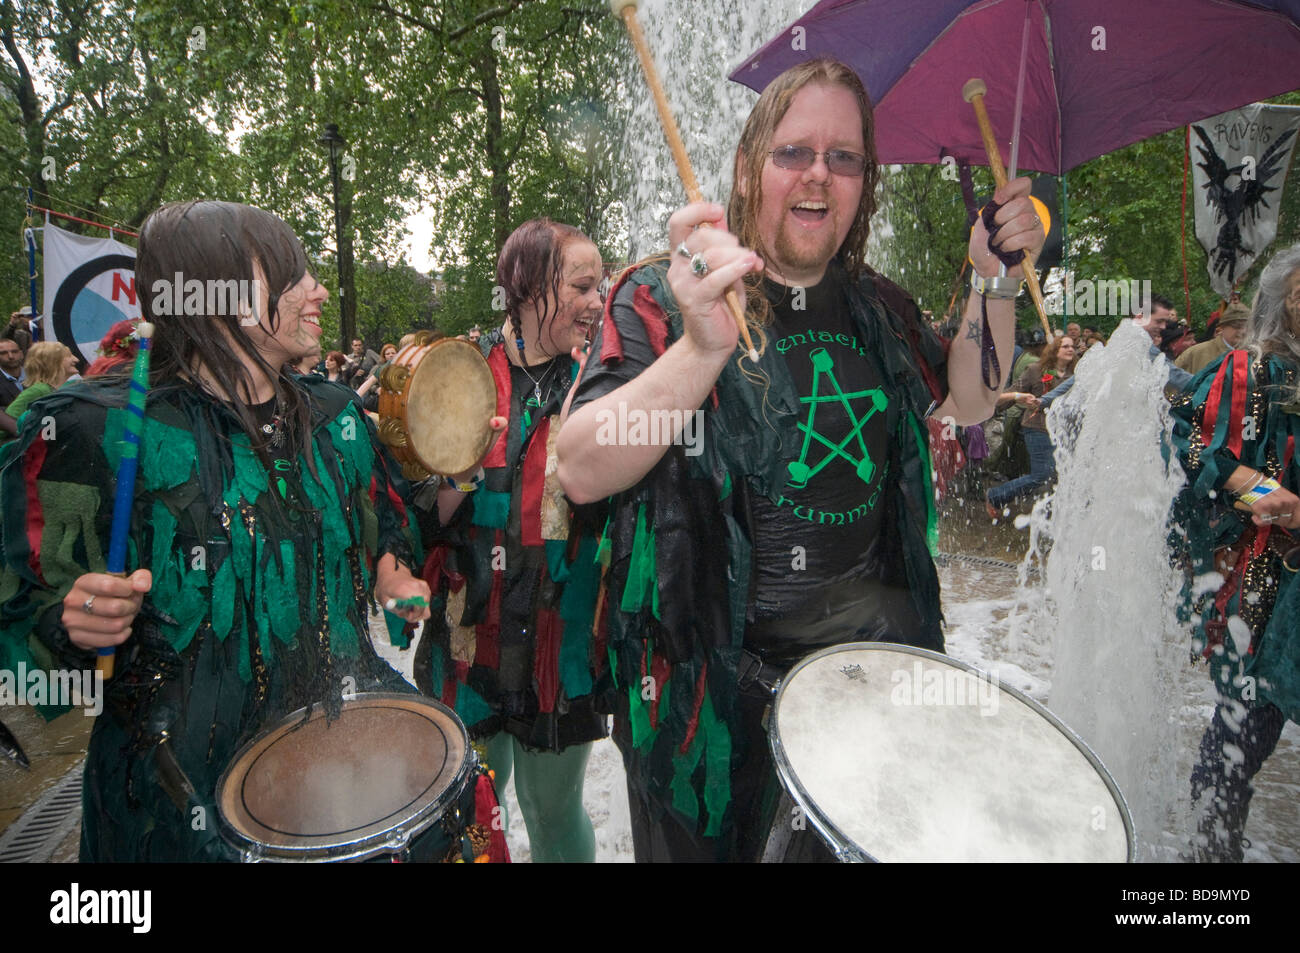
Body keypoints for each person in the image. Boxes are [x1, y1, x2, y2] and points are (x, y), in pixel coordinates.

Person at [556, 58, 1043, 862]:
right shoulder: (657, 296)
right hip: (706, 725)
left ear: (863, 182)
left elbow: (973, 398)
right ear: (750, 167)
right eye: (794, 152)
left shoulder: (878, 308)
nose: (819, 173)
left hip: (866, 710)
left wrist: (993, 281)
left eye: (844, 156)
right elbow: (578, 466)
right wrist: (701, 347)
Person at [0, 200, 437, 862]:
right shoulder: (98, 431)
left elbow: (382, 527)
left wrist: (393, 575)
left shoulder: (338, 415)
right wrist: (72, 622)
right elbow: (26, 604)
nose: (317, 291)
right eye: (292, 278)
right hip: (172, 806)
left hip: (336, 766)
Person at [415, 218, 605, 862]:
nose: (596, 301)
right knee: (467, 815)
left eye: (600, 286)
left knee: (552, 813)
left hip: (561, 639)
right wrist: (457, 474)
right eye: (582, 284)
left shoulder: (603, 379)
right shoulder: (459, 371)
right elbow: (421, 522)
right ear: (525, 287)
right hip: (470, 637)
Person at [1171, 242, 1300, 863]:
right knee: (1243, 730)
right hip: (1267, 581)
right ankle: (1208, 876)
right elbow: (1204, 454)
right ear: (1283, 302)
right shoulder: (1254, 371)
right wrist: (1280, 498)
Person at [984, 333, 1076, 518]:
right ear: (1054, 350)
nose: (1070, 349)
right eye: (1065, 346)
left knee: (1064, 473)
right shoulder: (1035, 370)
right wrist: (990, 409)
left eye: (1072, 346)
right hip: (1037, 428)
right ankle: (996, 496)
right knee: (1041, 474)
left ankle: (1061, 514)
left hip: (1063, 430)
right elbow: (1013, 391)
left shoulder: (1075, 375)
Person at [1, 341, 78, 441]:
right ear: (53, 361)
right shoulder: (38, 391)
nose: (76, 359)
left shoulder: (63, 388)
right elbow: (3, 431)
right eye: (68, 356)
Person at [1176, 301, 1248, 375]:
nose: (1243, 331)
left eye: (1247, 326)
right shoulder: (1196, 353)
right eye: (1237, 326)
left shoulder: (1253, 355)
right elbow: (1170, 380)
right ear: (1222, 327)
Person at [0, 338, 23, 406]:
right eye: (3, 353)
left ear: (21, 354)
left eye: (14, 351)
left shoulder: (36, 376)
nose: (11, 356)